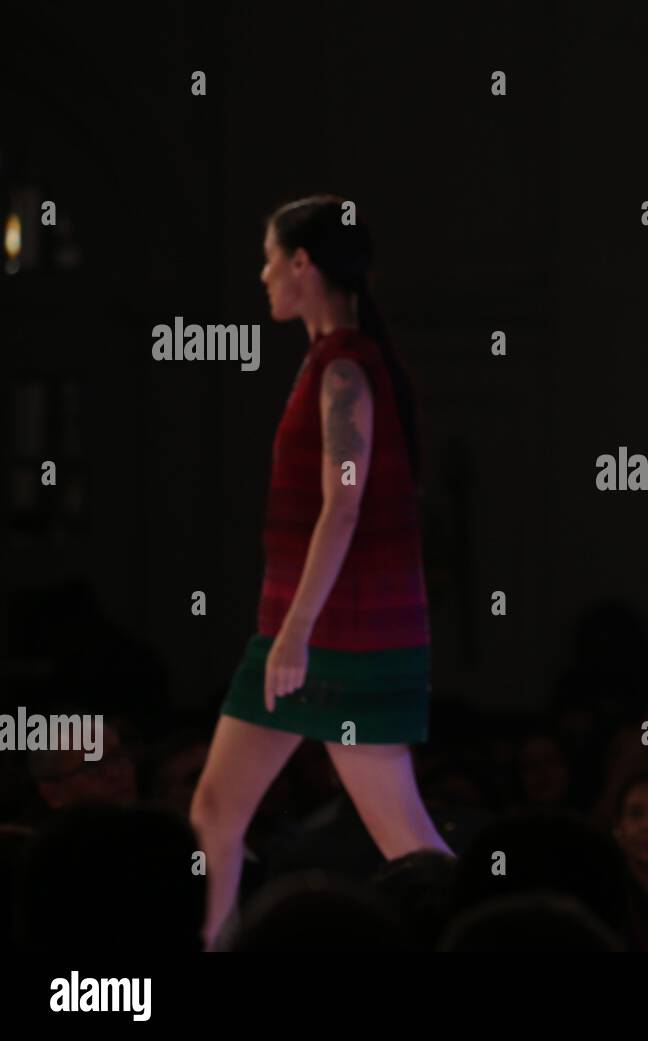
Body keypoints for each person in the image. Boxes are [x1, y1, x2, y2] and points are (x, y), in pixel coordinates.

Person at [190, 194, 454, 951]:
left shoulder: (344, 367)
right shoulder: (337, 361)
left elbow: (343, 504)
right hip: (310, 634)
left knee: (407, 842)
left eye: (271, 258)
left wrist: (296, 633)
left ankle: (496, 936)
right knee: (216, 810)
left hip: (338, 640)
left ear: (303, 264)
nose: (264, 273)